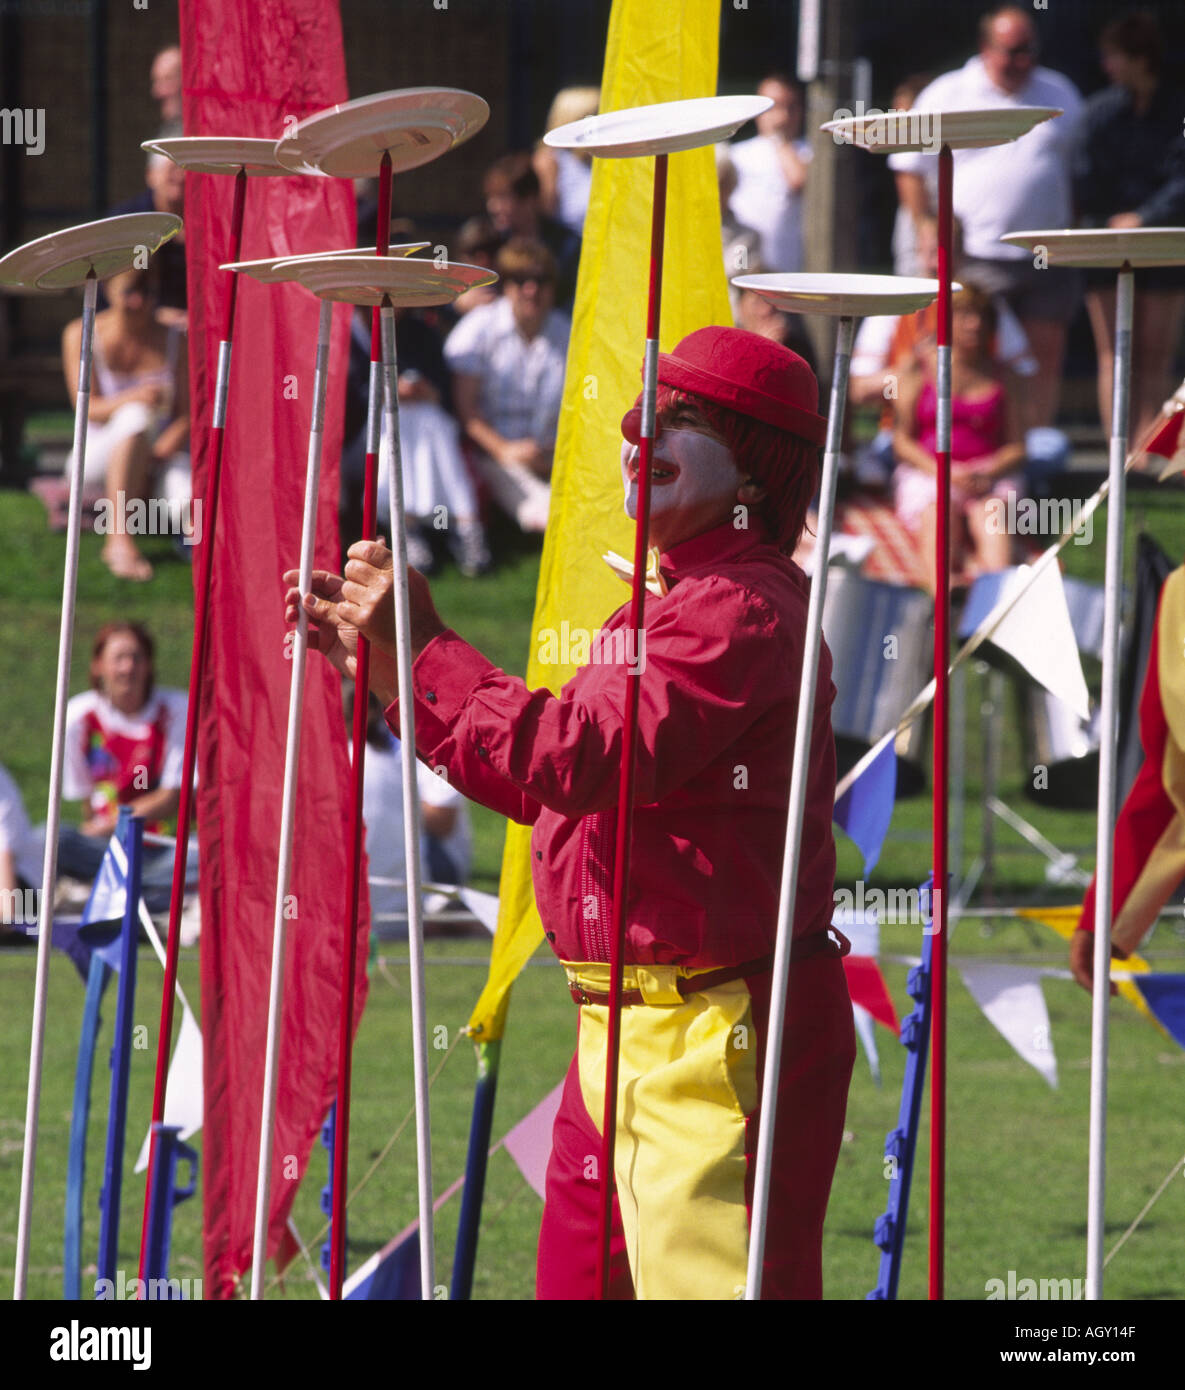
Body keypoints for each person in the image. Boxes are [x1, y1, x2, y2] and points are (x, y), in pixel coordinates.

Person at [286, 326, 855, 1300]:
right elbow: (550, 787)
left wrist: (426, 645)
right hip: (617, 1031)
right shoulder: (659, 612)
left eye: (679, 421)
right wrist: (391, 667)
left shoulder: (739, 609)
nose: (639, 436)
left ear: (758, 469)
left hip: (722, 1029)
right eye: (642, 415)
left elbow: (577, 756)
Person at [888, 5, 1083, 429]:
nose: (1019, 61)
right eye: (1010, 51)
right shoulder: (948, 91)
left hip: (1047, 254)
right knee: (975, 354)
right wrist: (925, 224)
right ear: (985, 46)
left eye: (1027, 50)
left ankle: (1031, 456)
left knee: (1042, 358)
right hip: (975, 253)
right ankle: (972, 451)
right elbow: (908, 166)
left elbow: (1079, 169)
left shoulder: (1059, 91)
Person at [1075, 11, 1185, 441]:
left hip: (1163, 243)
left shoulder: (1177, 111)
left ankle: (1147, 445)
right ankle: (1117, 450)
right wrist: (1109, 221)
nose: (1108, 66)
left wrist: (1146, 216)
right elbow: (1085, 176)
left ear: (1140, 58)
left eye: (1115, 56)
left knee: (1156, 351)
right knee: (1115, 352)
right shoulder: (1098, 114)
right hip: (1107, 244)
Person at [892, 283, 1026, 588]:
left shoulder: (1007, 376)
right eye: (965, 315)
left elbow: (1018, 447)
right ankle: (943, 591)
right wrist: (946, 472)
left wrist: (987, 472)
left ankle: (995, 594)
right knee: (939, 512)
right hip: (931, 470)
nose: (974, 324)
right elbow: (901, 441)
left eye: (981, 316)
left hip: (987, 473)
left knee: (992, 514)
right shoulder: (918, 368)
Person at [61, 264, 190, 581]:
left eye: (148, 292)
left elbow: (188, 413)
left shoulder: (176, 338)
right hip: (95, 453)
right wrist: (134, 397)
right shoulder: (81, 332)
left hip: (158, 452)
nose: (139, 302)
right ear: (109, 290)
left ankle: (195, 550)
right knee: (135, 417)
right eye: (131, 291)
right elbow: (85, 407)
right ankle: (118, 539)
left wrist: (158, 454)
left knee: (189, 497)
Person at [53, 622, 192, 911]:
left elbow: (172, 796)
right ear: (98, 666)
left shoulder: (175, 710)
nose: (128, 667)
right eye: (119, 658)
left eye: (137, 657)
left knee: (207, 857)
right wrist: (100, 831)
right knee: (51, 840)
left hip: (162, 846)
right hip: (106, 848)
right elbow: (86, 800)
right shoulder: (79, 716)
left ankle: (115, 897)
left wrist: (110, 824)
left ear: (149, 665)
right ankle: (22, 923)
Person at [444, 237, 570, 536]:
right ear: (506, 285)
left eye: (541, 280)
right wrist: (505, 450)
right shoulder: (477, 328)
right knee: (549, 515)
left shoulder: (568, 331)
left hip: (555, 452)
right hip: (494, 455)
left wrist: (557, 452)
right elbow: (467, 413)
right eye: (521, 280)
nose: (532, 290)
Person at [352, 693, 472, 939]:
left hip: (436, 855)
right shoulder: (368, 755)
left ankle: (439, 906)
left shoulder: (426, 740)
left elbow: (443, 822)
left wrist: (399, 805)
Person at [726, 74, 811, 274]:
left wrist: (780, 141)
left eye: (789, 107)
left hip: (788, 262)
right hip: (745, 257)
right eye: (773, 107)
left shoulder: (808, 151)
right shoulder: (737, 153)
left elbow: (798, 180)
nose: (782, 116)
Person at [482, 152, 582, 309]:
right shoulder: (488, 243)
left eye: (503, 198)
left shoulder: (568, 246)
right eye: (491, 198)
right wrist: (462, 300)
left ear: (529, 199)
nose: (493, 207)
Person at [533, 87, 600, 235]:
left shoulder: (591, 158)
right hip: (570, 241)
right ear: (571, 118)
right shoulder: (550, 158)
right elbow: (547, 210)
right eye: (592, 117)